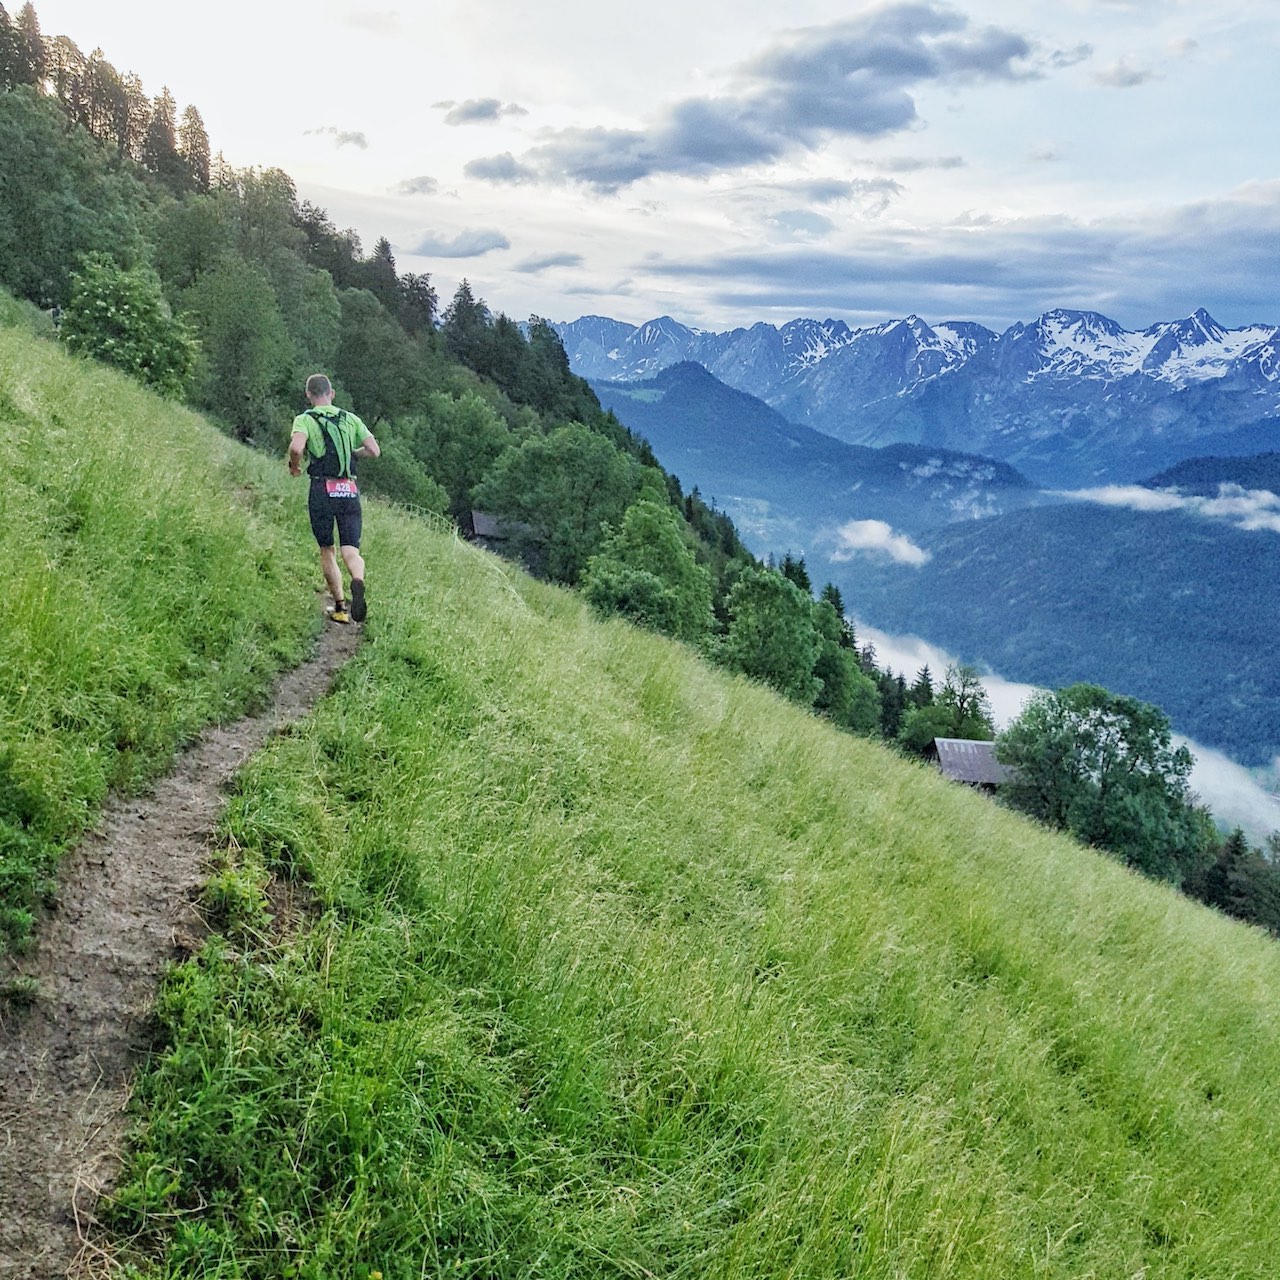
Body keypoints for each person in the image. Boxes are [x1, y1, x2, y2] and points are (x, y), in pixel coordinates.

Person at [287, 374, 380, 623]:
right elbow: (374, 450)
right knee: (351, 550)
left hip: (322, 489)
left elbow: (296, 448)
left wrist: (294, 466)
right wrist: (353, 454)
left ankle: (340, 608)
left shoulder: (305, 419)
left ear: (308, 395)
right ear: (332, 393)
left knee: (327, 549)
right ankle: (357, 579)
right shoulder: (350, 418)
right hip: (349, 490)